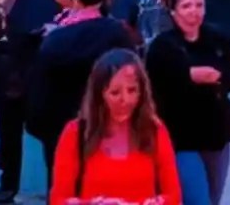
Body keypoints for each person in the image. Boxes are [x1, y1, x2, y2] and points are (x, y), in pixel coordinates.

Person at [27, 0, 135, 181]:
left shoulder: (56, 39)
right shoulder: (118, 34)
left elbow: (41, 91)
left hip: (62, 129)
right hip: (109, 125)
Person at [146, 0, 230, 205]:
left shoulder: (218, 39)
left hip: (216, 135)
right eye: (187, 6)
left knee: (212, 196)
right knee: (197, 199)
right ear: (173, 11)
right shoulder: (162, 46)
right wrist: (190, 76)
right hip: (180, 137)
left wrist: (217, 76)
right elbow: (156, 85)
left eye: (199, 5)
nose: (194, 12)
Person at [49, 49, 182, 205]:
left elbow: (174, 196)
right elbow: (58, 199)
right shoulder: (75, 133)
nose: (124, 100)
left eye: (132, 90)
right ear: (99, 95)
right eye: (115, 93)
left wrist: (155, 203)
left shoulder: (154, 130)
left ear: (142, 93)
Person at [0, 0, 64, 205]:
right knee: (10, 130)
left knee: (51, 136)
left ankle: (53, 186)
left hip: (41, 75)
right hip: (15, 72)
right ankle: (9, 182)